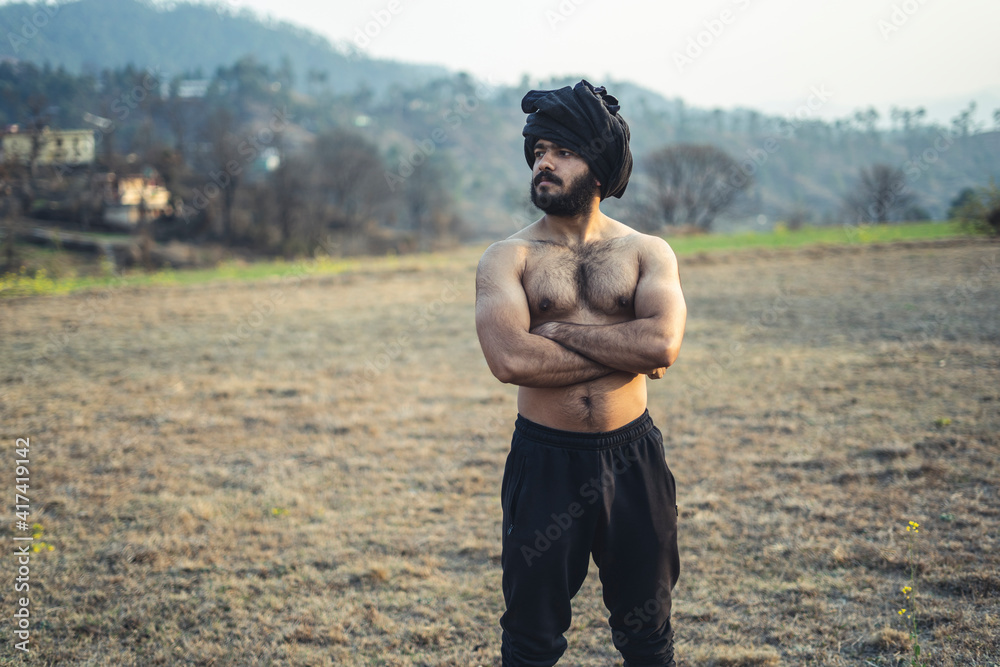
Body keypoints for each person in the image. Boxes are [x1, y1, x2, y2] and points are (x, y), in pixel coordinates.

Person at [475, 80, 687, 667]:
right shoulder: (507, 257)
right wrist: (628, 346)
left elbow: (663, 343)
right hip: (545, 463)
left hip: (632, 457)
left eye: (561, 151)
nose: (543, 162)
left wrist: (560, 331)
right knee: (531, 636)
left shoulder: (648, 251)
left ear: (599, 166)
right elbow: (510, 360)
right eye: (539, 150)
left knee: (648, 633)